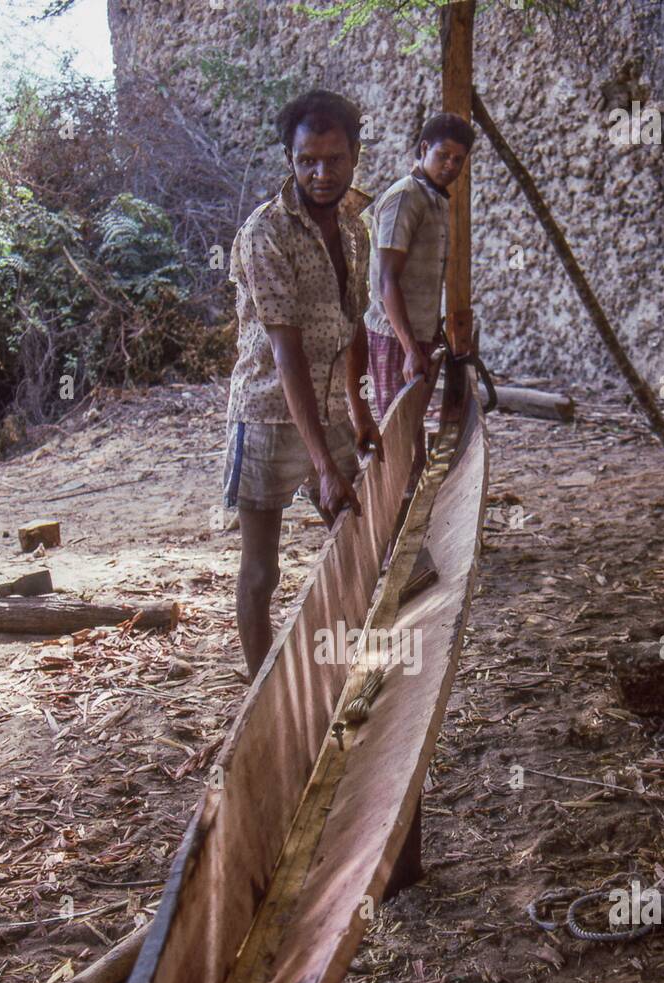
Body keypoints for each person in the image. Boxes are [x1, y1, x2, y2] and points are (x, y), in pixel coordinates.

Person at [224, 89, 383, 678]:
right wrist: (322, 463)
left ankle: (351, 670)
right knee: (261, 570)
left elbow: (353, 323)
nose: (321, 173)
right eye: (306, 160)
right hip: (267, 413)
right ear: (289, 159)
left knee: (359, 540)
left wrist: (359, 410)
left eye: (334, 160)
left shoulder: (355, 229)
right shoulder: (266, 233)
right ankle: (261, 690)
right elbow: (285, 354)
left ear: (355, 155)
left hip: (329, 412)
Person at [364, 112, 475, 499]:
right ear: (424, 148)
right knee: (398, 436)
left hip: (418, 335)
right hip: (395, 337)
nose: (450, 166)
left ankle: (409, 517)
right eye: (443, 155)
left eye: (458, 160)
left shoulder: (435, 200)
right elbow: (386, 280)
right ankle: (393, 524)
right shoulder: (404, 198)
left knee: (410, 431)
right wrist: (410, 347)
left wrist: (429, 335)